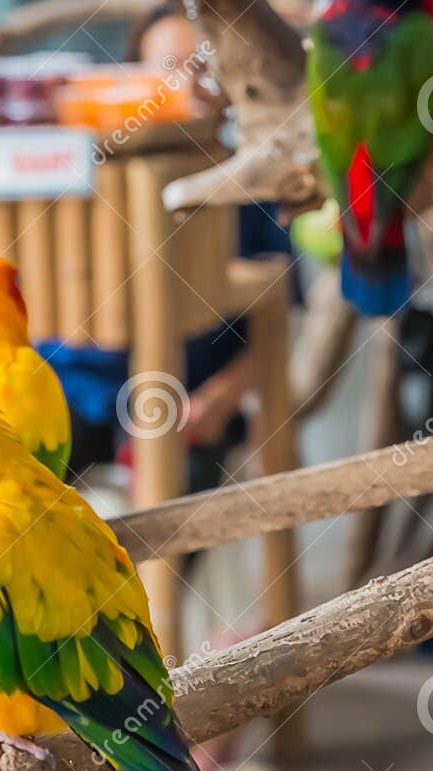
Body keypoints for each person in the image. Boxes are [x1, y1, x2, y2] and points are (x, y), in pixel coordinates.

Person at [42, 1, 299, 492]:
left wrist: (218, 401)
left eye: (198, 67)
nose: (183, 84)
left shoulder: (249, 183)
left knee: (169, 536)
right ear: (131, 76)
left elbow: (282, 309)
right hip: (71, 394)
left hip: (186, 407)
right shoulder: (85, 175)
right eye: (164, 69)